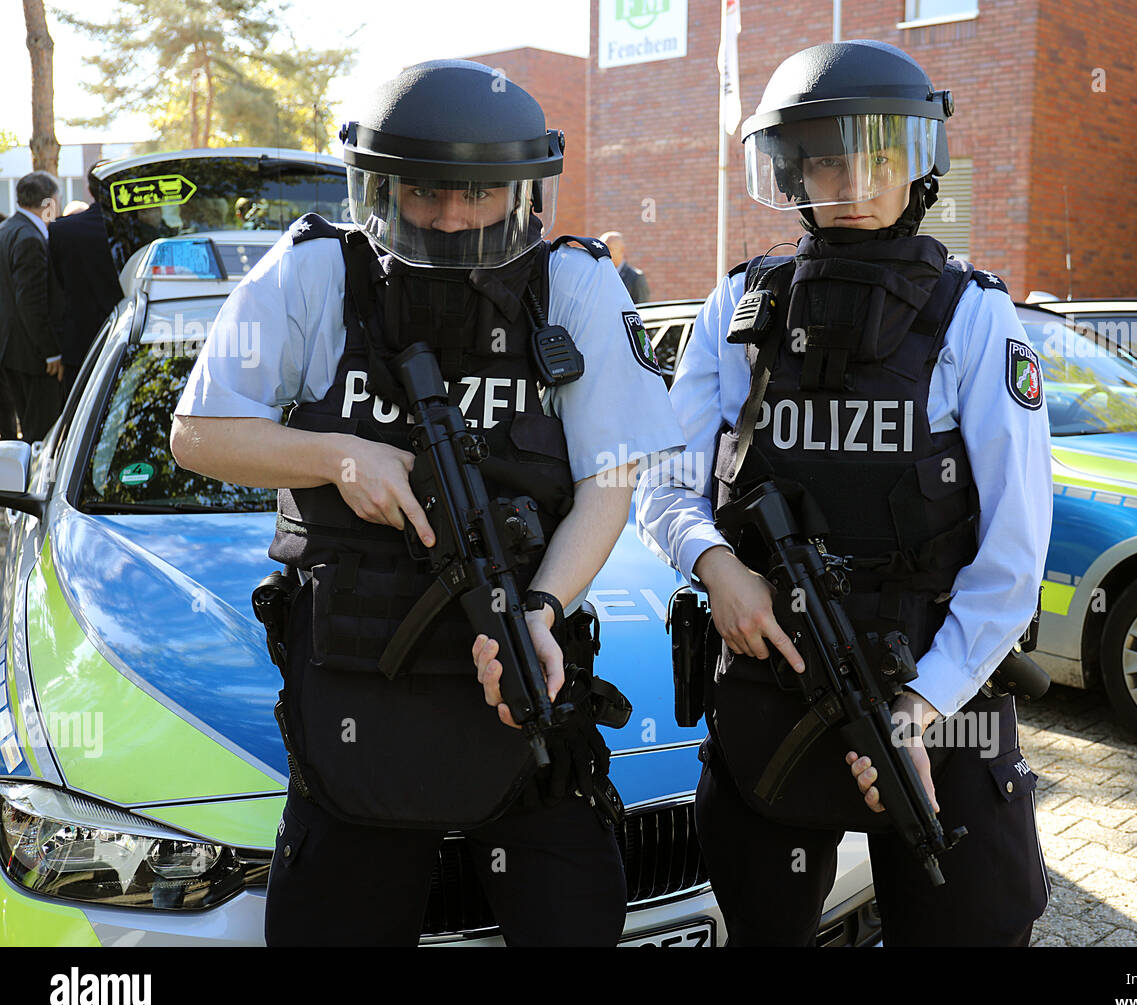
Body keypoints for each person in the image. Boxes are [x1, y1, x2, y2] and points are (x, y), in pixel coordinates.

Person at [170, 59, 682, 947]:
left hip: (523, 674)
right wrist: (337, 454)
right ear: (382, 186)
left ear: (519, 191)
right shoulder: (313, 274)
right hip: (358, 695)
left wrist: (541, 606)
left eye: (476, 195)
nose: (450, 216)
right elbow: (198, 433)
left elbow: (610, 480)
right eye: (423, 192)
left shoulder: (576, 285)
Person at [634, 40, 1053, 946]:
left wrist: (920, 706)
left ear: (918, 165)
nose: (854, 180)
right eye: (826, 157)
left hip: (940, 701)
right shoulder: (738, 308)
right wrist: (715, 566)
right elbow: (663, 481)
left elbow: (1015, 556)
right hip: (772, 689)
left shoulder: (973, 316)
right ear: (791, 172)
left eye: (879, 156)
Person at [0, 171, 65, 442]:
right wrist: (51, 352)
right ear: (48, 203)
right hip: (32, 355)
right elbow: (31, 302)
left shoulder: (7, 229)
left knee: (27, 430)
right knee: (40, 435)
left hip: (10, 349)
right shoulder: (29, 238)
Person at [48, 172, 124, 389]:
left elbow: (55, 293)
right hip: (134, 334)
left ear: (90, 190)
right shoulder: (134, 227)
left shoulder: (62, 230)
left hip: (79, 341)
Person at [600, 230, 650, 304]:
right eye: (601, 249)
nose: (604, 253)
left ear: (622, 250)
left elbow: (641, 311)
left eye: (609, 249)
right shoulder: (596, 275)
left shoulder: (636, 277)